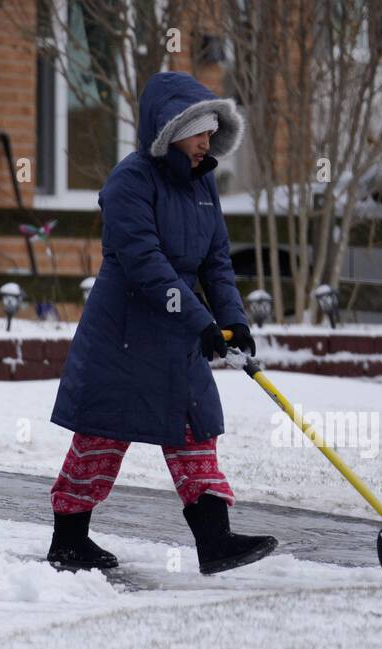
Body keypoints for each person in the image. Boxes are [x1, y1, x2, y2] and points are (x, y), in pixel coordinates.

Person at [47, 71, 276, 575]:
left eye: (212, 133)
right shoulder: (128, 183)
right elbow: (147, 265)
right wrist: (199, 322)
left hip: (176, 333)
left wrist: (232, 321)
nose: (206, 143)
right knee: (101, 436)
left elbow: (216, 259)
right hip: (123, 334)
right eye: (199, 133)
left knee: (195, 429)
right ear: (171, 132)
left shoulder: (203, 184)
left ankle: (215, 541)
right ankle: (69, 541)